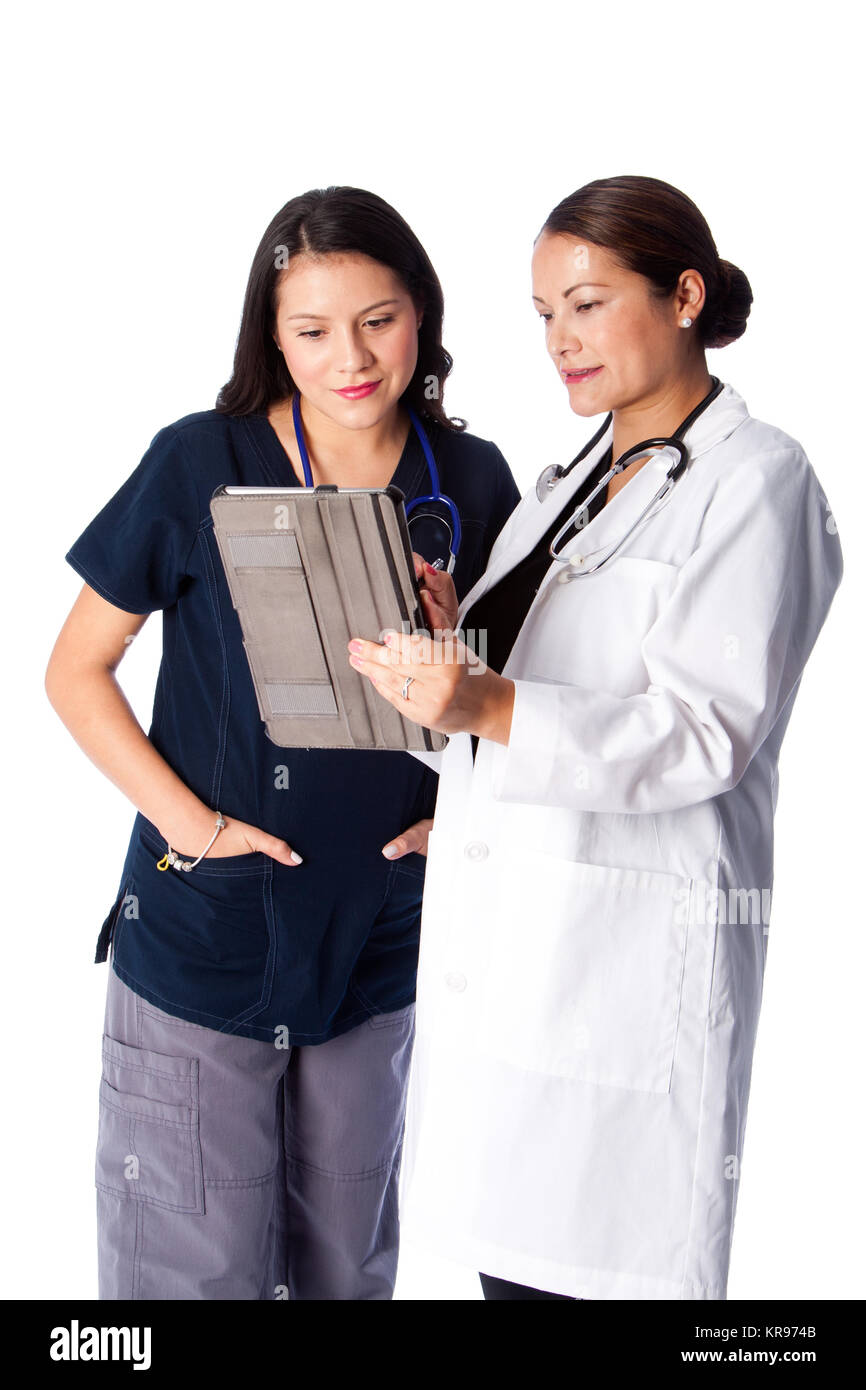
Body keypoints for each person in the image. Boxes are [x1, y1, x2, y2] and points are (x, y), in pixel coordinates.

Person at [346, 174, 844, 1301]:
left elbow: (700, 733)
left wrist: (482, 703)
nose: (557, 340)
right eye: (539, 315)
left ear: (682, 294)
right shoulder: (566, 483)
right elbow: (496, 721)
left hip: (618, 987)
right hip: (514, 969)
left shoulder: (754, 480)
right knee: (509, 1275)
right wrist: (445, 661)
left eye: (582, 302)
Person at [44, 185, 520, 1300]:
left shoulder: (477, 480)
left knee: (347, 1266)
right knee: (188, 1271)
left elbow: (513, 702)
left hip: (378, 937)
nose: (348, 357)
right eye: (310, 330)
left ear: (422, 317)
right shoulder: (195, 460)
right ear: (272, 336)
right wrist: (190, 828)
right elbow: (75, 670)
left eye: (377, 319)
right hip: (206, 932)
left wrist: (457, 812)